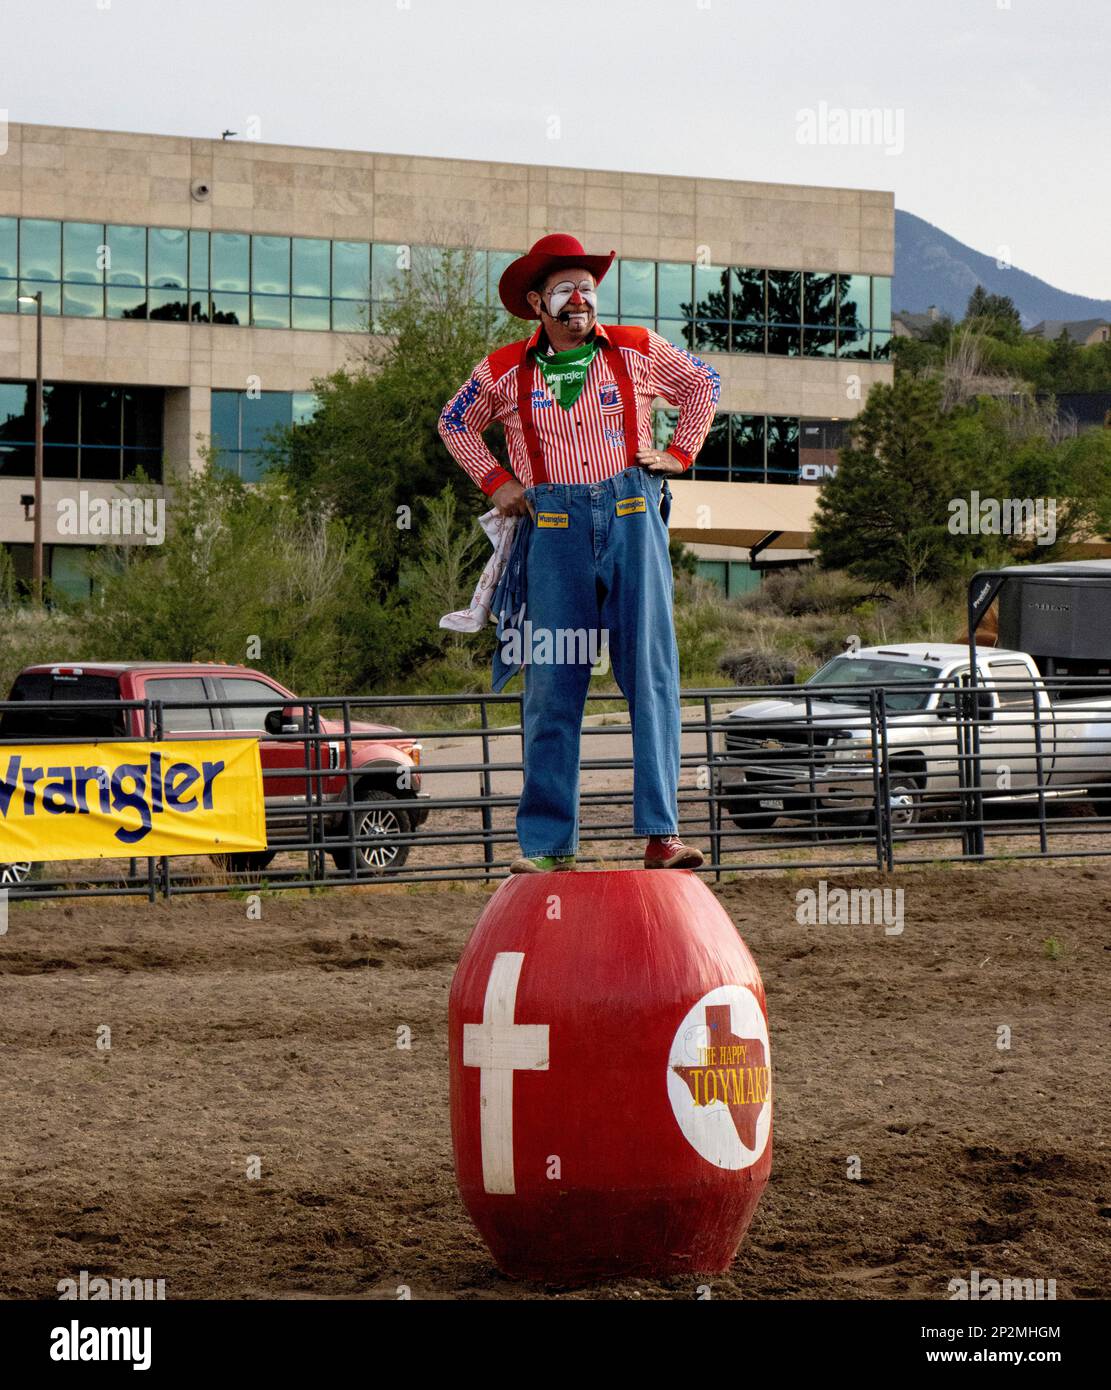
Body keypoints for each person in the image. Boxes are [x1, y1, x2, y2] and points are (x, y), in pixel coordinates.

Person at [438, 233, 719, 873]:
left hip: (630, 513)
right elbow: (453, 422)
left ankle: (662, 835)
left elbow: (704, 384)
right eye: (565, 289)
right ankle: (548, 847)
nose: (580, 298)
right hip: (554, 524)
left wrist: (678, 453)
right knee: (552, 683)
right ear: (537, 302)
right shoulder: (503, 368)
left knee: (649, 671)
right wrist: (497, 481)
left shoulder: (636, 348)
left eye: (587, 287)